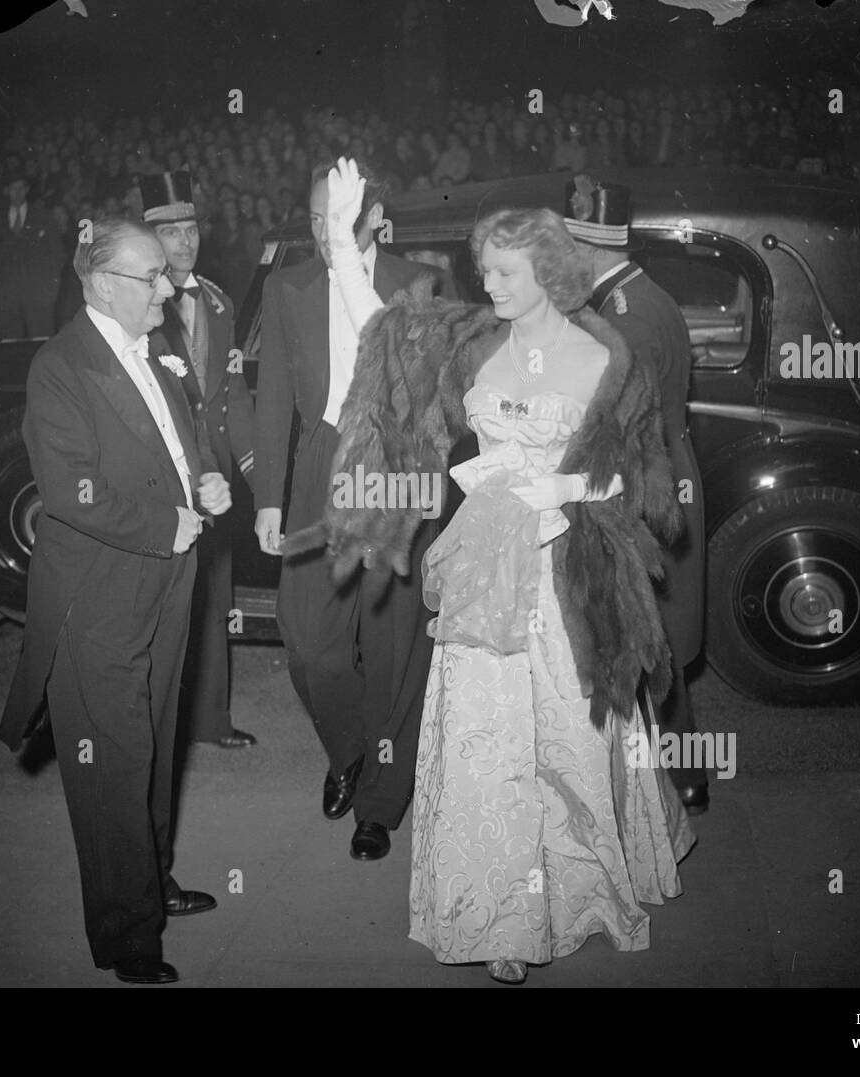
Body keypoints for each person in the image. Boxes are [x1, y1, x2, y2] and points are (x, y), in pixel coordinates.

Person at [289, 158, 694, 985]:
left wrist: (564, 488)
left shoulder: (602, 357)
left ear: (548, 271)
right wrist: (338, 239)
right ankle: (501, 911)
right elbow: (387, 332)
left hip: (567, 572)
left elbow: (637, 479)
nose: (490, 285)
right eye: (485, 272)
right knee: (489, 742)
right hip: (484, 568)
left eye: (504, 273)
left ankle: (576, 886)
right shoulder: (477, 342)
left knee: (569, 739)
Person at [0, 217, 231, 985]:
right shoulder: (63, 367)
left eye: (165, 273)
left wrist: (205, 478)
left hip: (167, 575)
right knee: (112, 758)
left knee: (155, 737)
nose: (167, 288)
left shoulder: (155, 351)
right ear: (102, 284)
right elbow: (71, 494)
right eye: (151, 277)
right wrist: (168, 523)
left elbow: (176, 439)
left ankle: (151, 881)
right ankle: (127, 932)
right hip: (100, 589)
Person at [252, 158, 452, 862]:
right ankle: (351, 752)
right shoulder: (286, 287)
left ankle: (380, 803)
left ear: (372, 216)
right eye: (311, 215)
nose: (317, 229)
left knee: (395, 642)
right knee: (309, 644)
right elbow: (273, 394)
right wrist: (269, 499)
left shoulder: (417, 284)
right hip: (321, 463)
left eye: (331, 216)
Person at [565, 177, 708, 813]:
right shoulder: (644, 296)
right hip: (669, 469)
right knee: (656, 636)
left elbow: (627, 426)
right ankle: (684, 777)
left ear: (587, 246)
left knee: (644, 636)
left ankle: (671, 784)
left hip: (643, 485)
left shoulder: (624, 318)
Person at [140, 170, 257, 749]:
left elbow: (230, 394)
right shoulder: (137, 307)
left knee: (212, 595)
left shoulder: (218, 301)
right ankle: (156, 726)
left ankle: (212, 721)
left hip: (214, 478)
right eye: (170, 232)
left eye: (190, 229)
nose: (184, 241)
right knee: (160, 602)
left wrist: (251, 472)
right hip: (163, 475)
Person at [0, 176, 64, 339]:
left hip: (37, 293)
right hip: (6, 294)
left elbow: (57, 253)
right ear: (7, 191)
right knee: (11, 345)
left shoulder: (43, 216)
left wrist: (50, 285)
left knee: (42, 343)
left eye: (21, 188)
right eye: (13, 188)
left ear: (27, 190)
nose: (17, 193)